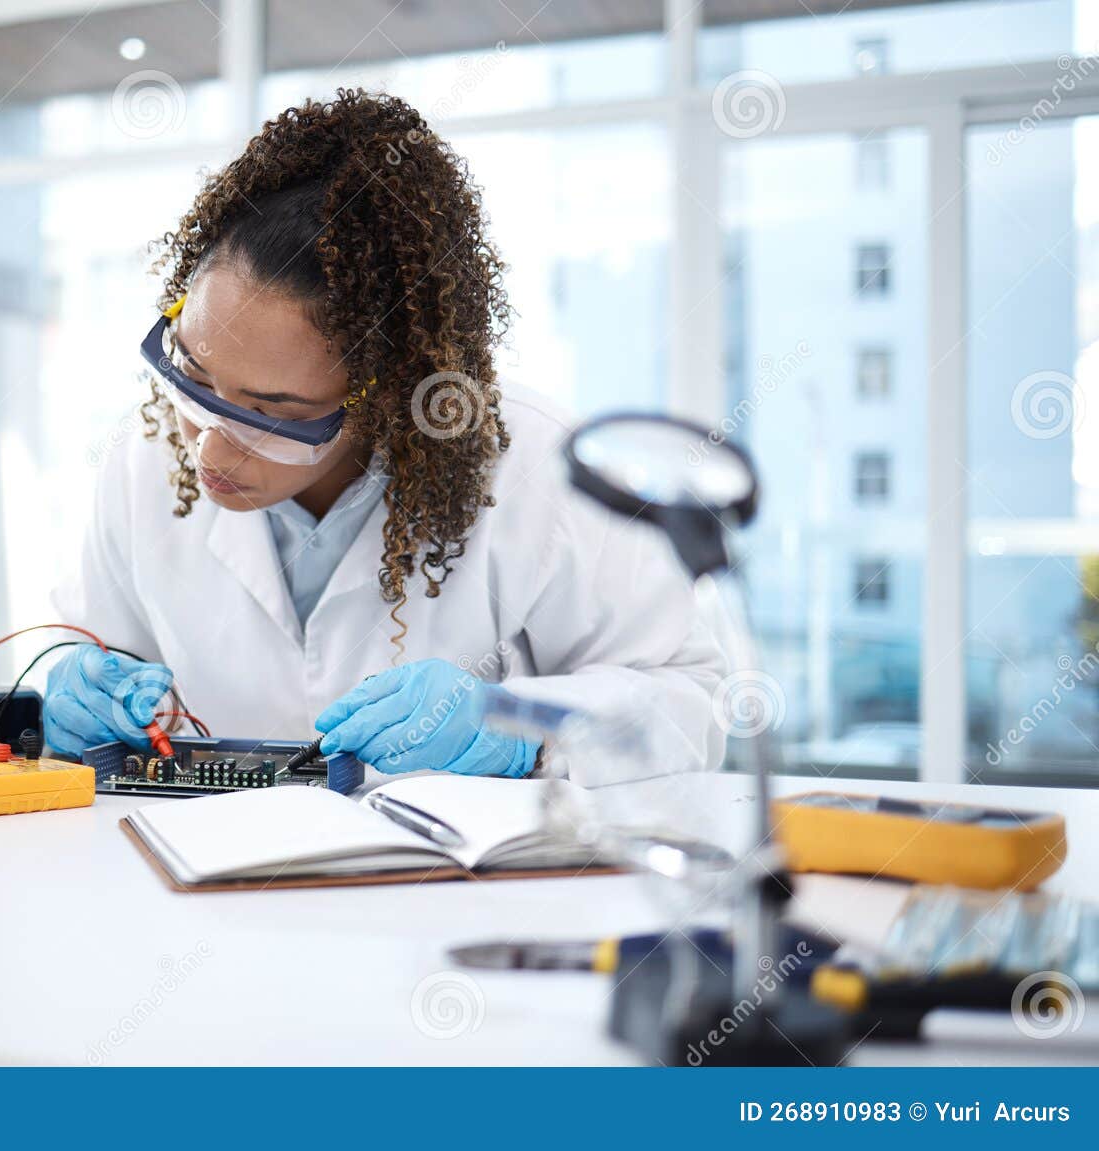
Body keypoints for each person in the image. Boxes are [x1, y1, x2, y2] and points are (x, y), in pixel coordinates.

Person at [47, 90, 725, 779]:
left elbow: (689, 707)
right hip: (194, 876)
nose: (209, 449)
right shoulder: (140, 457)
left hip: (463, 884)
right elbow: (104, 659)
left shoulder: (534, 468)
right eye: (192, 374)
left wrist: (517, 725)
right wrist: (82, 697)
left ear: (389, 391)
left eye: (273, 412)